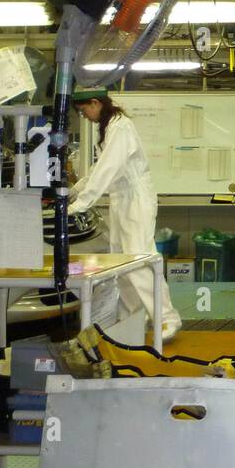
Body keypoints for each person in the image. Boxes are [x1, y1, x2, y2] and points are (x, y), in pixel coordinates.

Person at [68, 86, 182, 343]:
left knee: (138, 259)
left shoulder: (120, 127)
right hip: (122, 200)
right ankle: (133, 318)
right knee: (121, 262)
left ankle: (167, 318)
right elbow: (99, 169)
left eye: (84, 109)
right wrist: (73, 192)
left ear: (96, 103)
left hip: (135, 199)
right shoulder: (110, 127)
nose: (84, 115)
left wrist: (80, 204)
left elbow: (107, 171)